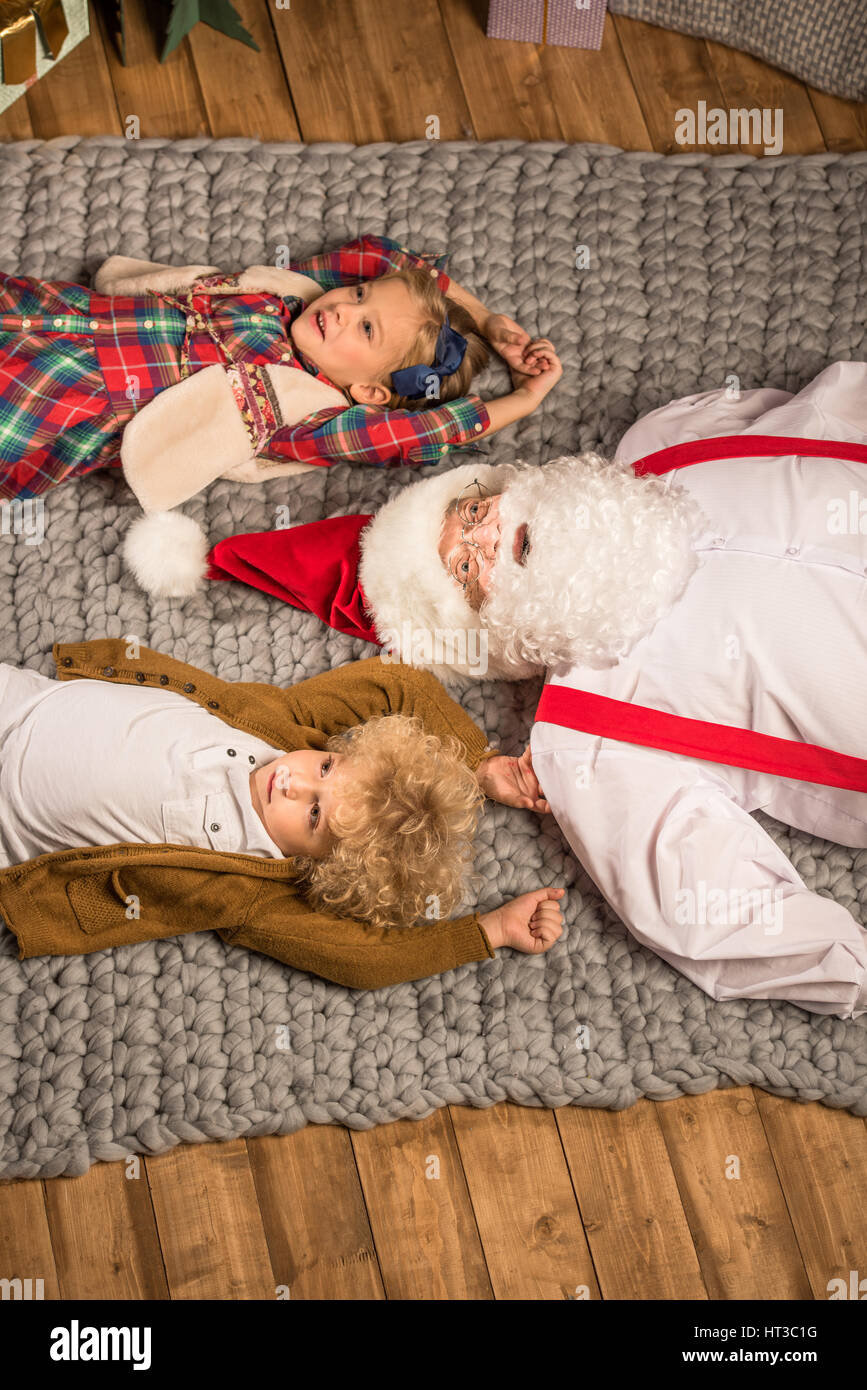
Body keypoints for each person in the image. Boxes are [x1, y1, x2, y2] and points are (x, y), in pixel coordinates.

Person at [205, 360, 867, 1017]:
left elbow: (835, 406)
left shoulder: (665, 443)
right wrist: (844, 964)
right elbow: (708, 903)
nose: (488, 534)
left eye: (468, 511)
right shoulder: (586, 739)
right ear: (490, 630)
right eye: (464, 565)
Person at [0, 234, 561, 595]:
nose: (344, 308)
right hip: (66, 316)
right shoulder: (292, 296)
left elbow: (420, 430)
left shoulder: (309, 415)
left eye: (366, 329)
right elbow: (383, 259)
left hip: (69, 397)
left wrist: (523, 400)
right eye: (360, 296)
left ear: (369, 392)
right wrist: (487, 320)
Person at [0, 639, 564, 988]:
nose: (291, 783)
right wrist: (479, 767)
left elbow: (366, 962)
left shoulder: (254, 891)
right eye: (324, 770)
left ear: (322, 866)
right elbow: (401, 686)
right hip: (27, 702)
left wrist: (488, 931)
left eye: (314, 817)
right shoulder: (289, 727)